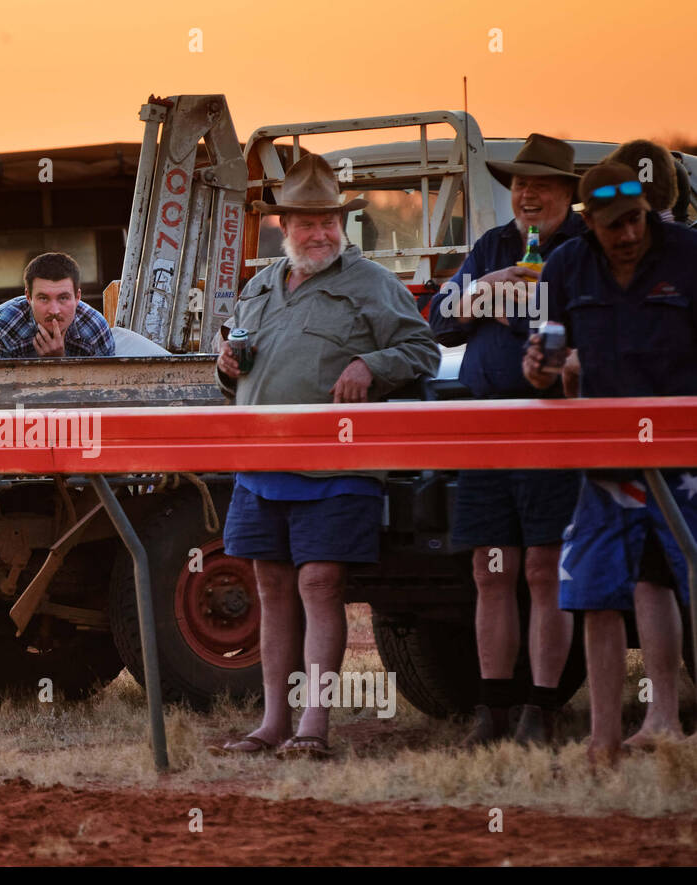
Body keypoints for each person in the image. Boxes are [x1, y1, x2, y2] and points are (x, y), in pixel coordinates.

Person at [210, 155, 439, 758]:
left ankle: (314, 726)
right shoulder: (260, 285)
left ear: (343, 223)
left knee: (319, 582)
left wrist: (370, 364)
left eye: (328, 221)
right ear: (284, 224)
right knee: (271, 584)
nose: (319, 233)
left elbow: (422, 349)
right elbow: (234, 359)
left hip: (338, 466)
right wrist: (225, 363)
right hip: (261, 460)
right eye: (306, 222)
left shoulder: (373, 284)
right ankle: (271, 724)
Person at [523, 161, 697, 765]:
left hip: (685, 456)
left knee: (685, 579)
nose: (627, 235)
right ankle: (602, 742)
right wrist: (543, 369)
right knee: (597, 590)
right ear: (588, 222)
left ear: (649, 209)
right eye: (613, 225)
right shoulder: (566, 265)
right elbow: (550, 347)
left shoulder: (689, 256)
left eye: (636, 220)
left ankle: (667, 722)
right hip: (605, 458)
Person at [427, 133, 585, 746]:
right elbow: (440, 323)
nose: (526, 192)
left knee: (546, 567)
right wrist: (481, 287)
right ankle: (493, 710)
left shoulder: (583, 250)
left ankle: (542, 710)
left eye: (540, 183)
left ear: (568, 194)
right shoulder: (492, 245)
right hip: (486, 428)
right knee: (491, 569)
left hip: (554, 429)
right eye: (519, 182)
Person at [0, 252, 115, 358]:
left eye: (63, 298)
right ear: (28, 297)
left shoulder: (95, 328)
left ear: (77, 297)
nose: (54, 310)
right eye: (43, 298)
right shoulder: (3, 327)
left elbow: (109, 394)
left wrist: (60, 362)